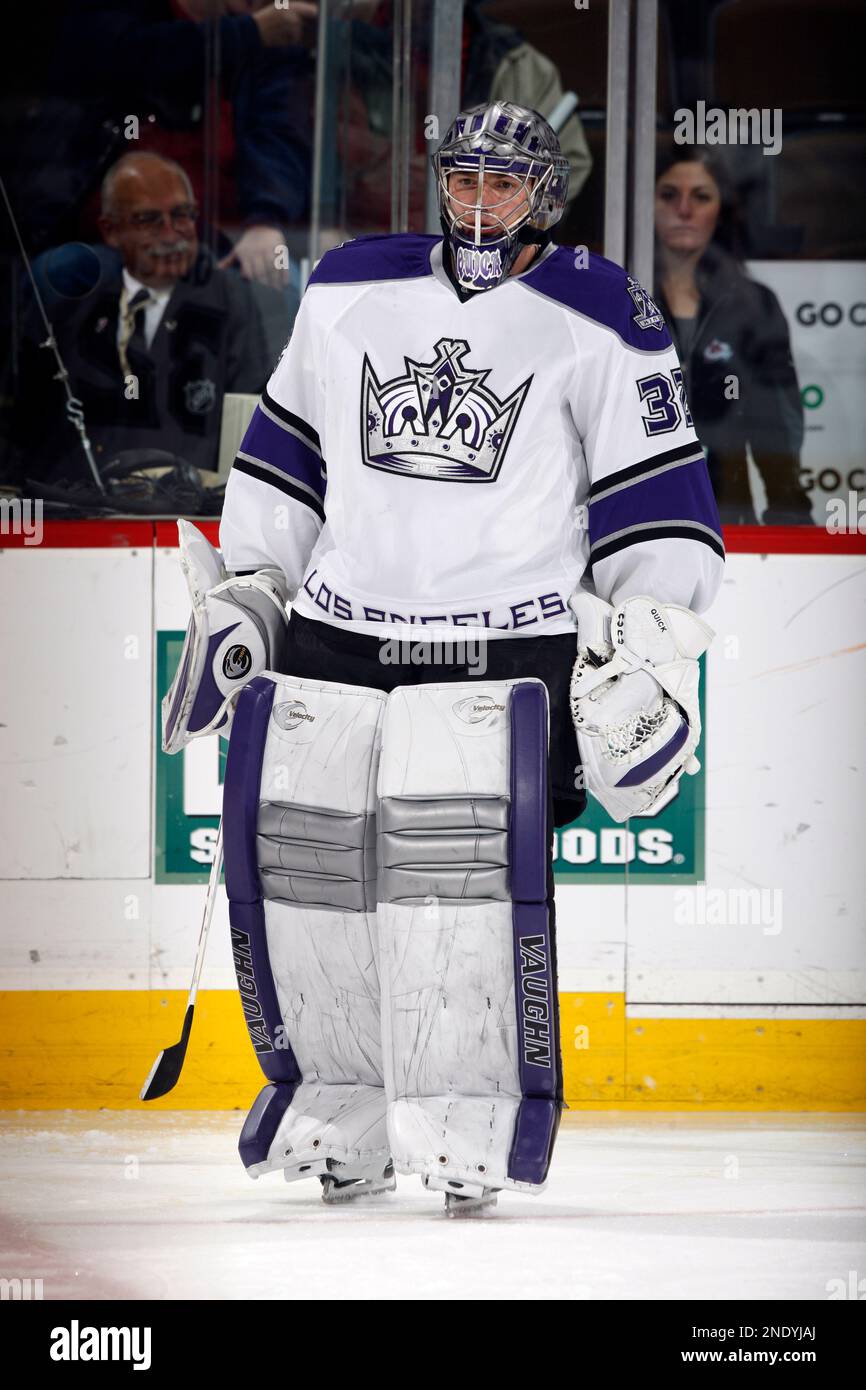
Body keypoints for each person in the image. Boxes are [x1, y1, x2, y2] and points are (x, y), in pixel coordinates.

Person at [165, 102, 724, 1213]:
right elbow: (288, 459)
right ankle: (340, 1104)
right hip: (338, 633)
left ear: (542, 193)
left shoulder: (598, 307)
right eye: (462, 178)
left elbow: (655, 497)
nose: (478, 202)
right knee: (309, 876)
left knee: (458, 892)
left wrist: (647, 644)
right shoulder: (349, 287)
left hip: (504, 646)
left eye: (501, 184)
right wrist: (255, 589)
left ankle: (470, 1116)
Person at [10, 152, 280, 487]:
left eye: (182, 215)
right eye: (148, 219)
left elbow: (251, 420)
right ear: (111, 231)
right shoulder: (71, 302)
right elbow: (38, 423)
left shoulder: (230, 298)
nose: (171, 234)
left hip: (191, 511)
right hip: (85, 511)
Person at [653, 147, 813, 525]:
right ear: (647, 202)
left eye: (702, 196)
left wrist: (790, 524)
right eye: (669, 195)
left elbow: (777, 431)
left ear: (721, 210)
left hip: (729, 522)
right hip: (631, 522)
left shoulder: (755, 307)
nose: (685, 210)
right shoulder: (617, 299)